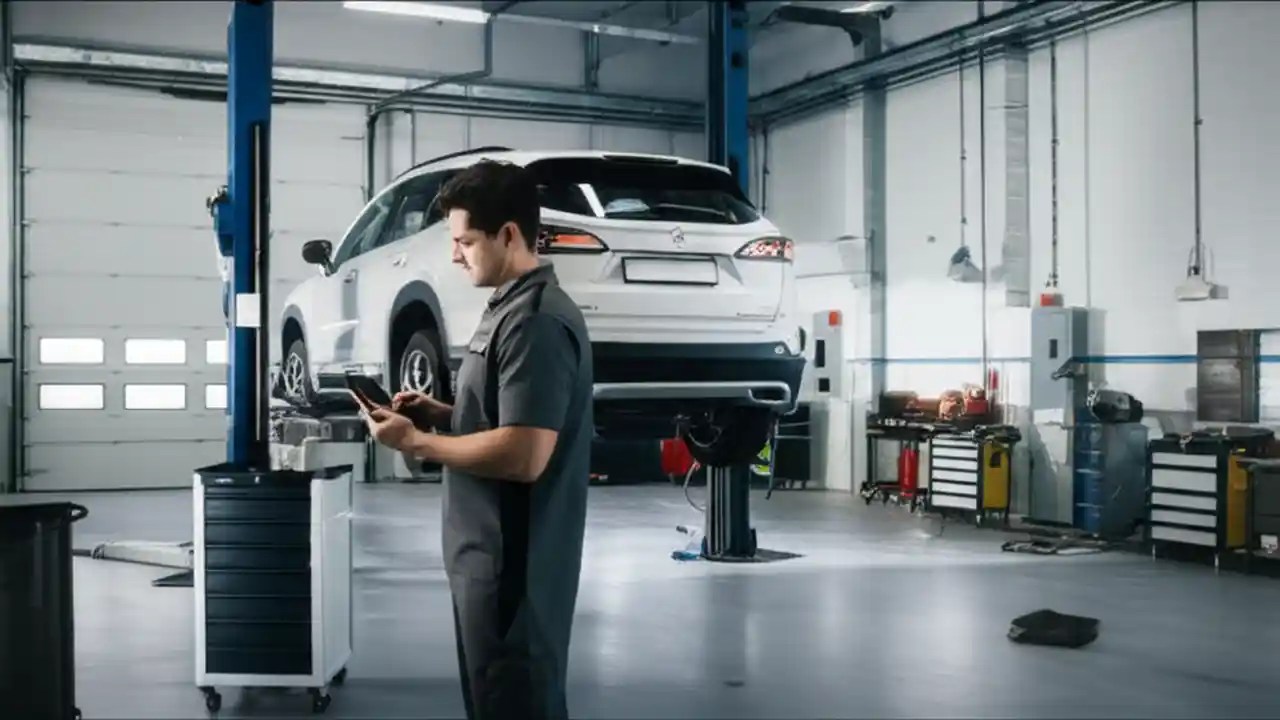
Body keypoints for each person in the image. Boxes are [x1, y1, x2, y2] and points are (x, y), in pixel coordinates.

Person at [358, 159, 593, 720]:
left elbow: (525, 452)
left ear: (508, 234)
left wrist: (416, 442)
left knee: (514, 705)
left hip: (514, 575)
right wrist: (442, 413)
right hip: (487, 565)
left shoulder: (536, 321)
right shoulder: (508, 308)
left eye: (464, 241)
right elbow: (504, 415)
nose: (455, 255)